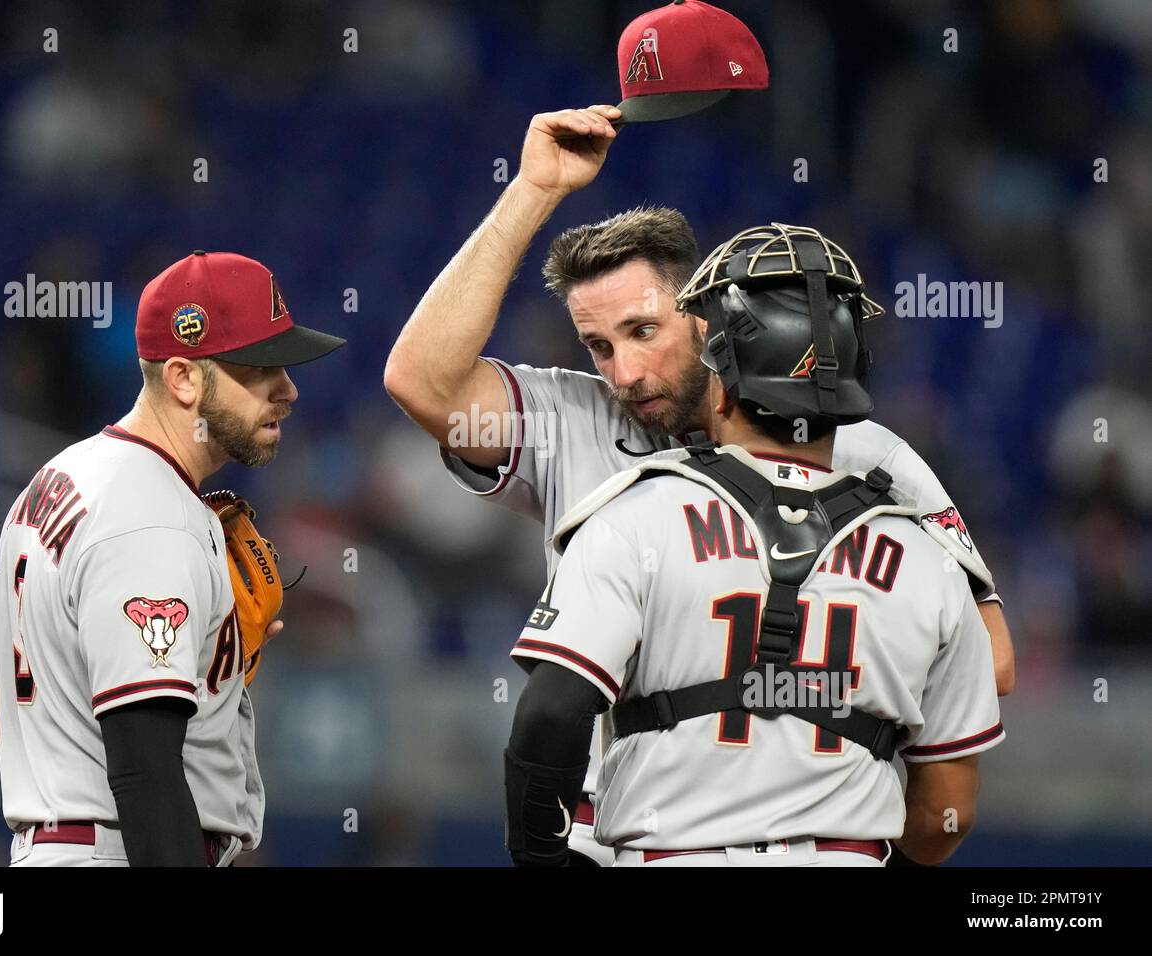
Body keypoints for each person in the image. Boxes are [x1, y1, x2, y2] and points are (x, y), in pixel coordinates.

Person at [384, 105, 1014, 865]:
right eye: (597, 345)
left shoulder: (863, 448)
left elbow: (989, 655)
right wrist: (533, 190)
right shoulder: (575, 417)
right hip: (612, 827)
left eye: (642, 331)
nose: (623, 372)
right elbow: (420, 380)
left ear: (713, 318)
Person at [503, 222, 1004, 867]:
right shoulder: (925, 554)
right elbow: (946, 816)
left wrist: (542, 859)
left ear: (718, 366)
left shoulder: (632, 514)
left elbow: (550, 715)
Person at [0, 250, 344, 866]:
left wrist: (201, 666)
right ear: (184, 378)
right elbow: (145, 773)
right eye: (260, 368)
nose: (288, 389)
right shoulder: (150, 517)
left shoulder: (57, 479)